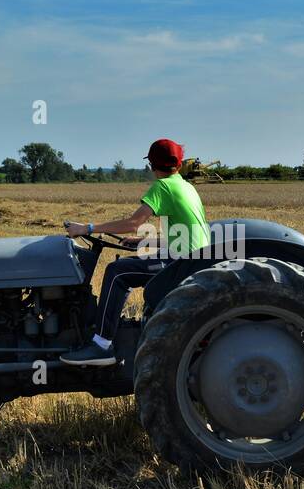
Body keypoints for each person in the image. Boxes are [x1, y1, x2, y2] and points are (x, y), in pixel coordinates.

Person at [60, 138, 209, 366]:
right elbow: (186, 237)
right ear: (179, 164)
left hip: (182, 265)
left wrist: (87, 228)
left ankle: (101, 345)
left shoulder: (163, 186)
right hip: (194, 260)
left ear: (151, 165)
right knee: (127, 268)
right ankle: (114, 326)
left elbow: (133, 222)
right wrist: (142, 241)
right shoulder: (186, 187)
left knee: (117, 272)